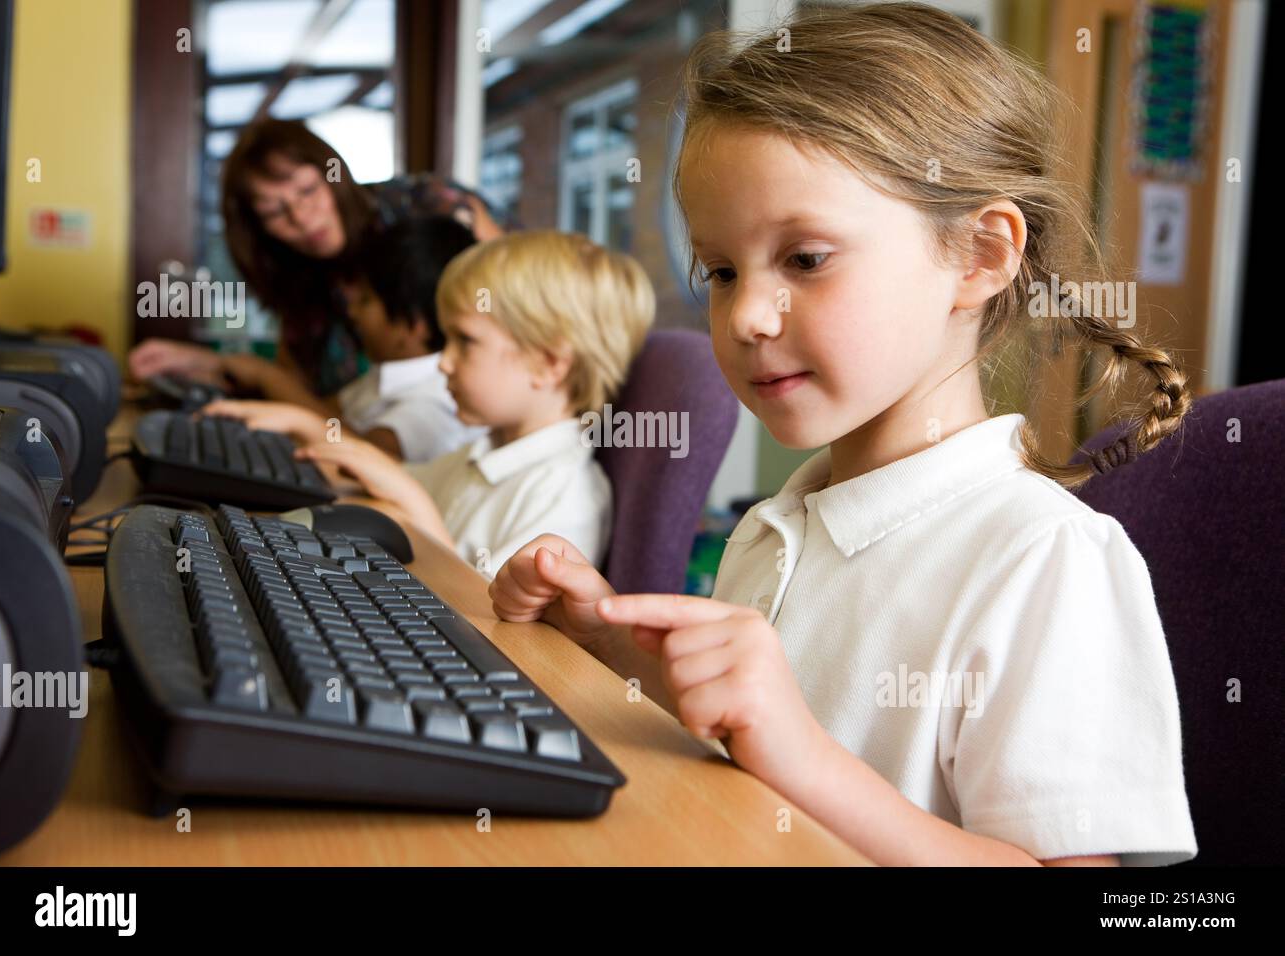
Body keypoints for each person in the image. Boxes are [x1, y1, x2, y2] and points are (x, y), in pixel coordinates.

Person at [486, 3, 1199, 867]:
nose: (747, 314)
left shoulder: (1044, 560)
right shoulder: (778, 523)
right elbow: (741, 759)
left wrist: (806, 760)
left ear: (978, 254)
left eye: (806, 259)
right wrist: (605, 640)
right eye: (719, 270)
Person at [297, 230, 654, 578]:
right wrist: (303, 435)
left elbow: (492, 627)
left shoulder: (567, 497)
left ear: (548, 363)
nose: (443, 362)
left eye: (465, 341)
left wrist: (414, 503)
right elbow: (382, 486)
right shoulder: (480, 453)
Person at [128, 118, 510, 400]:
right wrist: (204, 365)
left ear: (334, 174)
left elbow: (519, 303)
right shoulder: (299, 283)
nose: (302, 217)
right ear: (257, 229)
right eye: (275, 212)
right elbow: (298, 389)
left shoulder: (427, 204)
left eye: (308, 191)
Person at [200, 216, 485, 462]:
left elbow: (366, 460)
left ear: (414, 325)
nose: (352, 311)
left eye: (366, 300)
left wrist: (269, 377)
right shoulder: (382, 377)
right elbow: (326, 411)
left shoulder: (436, 404)